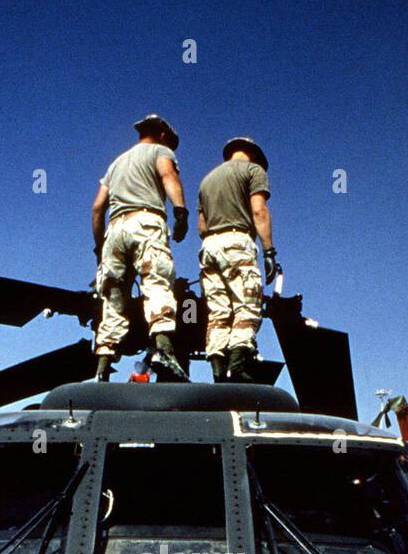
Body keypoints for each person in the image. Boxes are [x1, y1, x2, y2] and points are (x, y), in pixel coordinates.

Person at [91, 115, 189, 381]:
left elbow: (98, 207)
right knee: (157, 283)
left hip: (115, 229)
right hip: (146, 222)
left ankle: (103, 367)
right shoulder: (161, 151)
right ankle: (164, 351)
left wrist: (100, 248)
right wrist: (180, 212)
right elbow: (168, 175)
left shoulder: (116, 163)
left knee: (112, 301)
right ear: (163, 135)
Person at [197, 136, 281, 382]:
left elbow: (201, 227)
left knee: (218, 310)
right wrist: (268, 251)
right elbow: (259, 211)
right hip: (238, 241)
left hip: (208, 246)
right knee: (247, 303)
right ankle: (238, 364)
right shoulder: (253, 171)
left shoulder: (207, 181)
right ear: (254, 155)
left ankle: (218, 372)